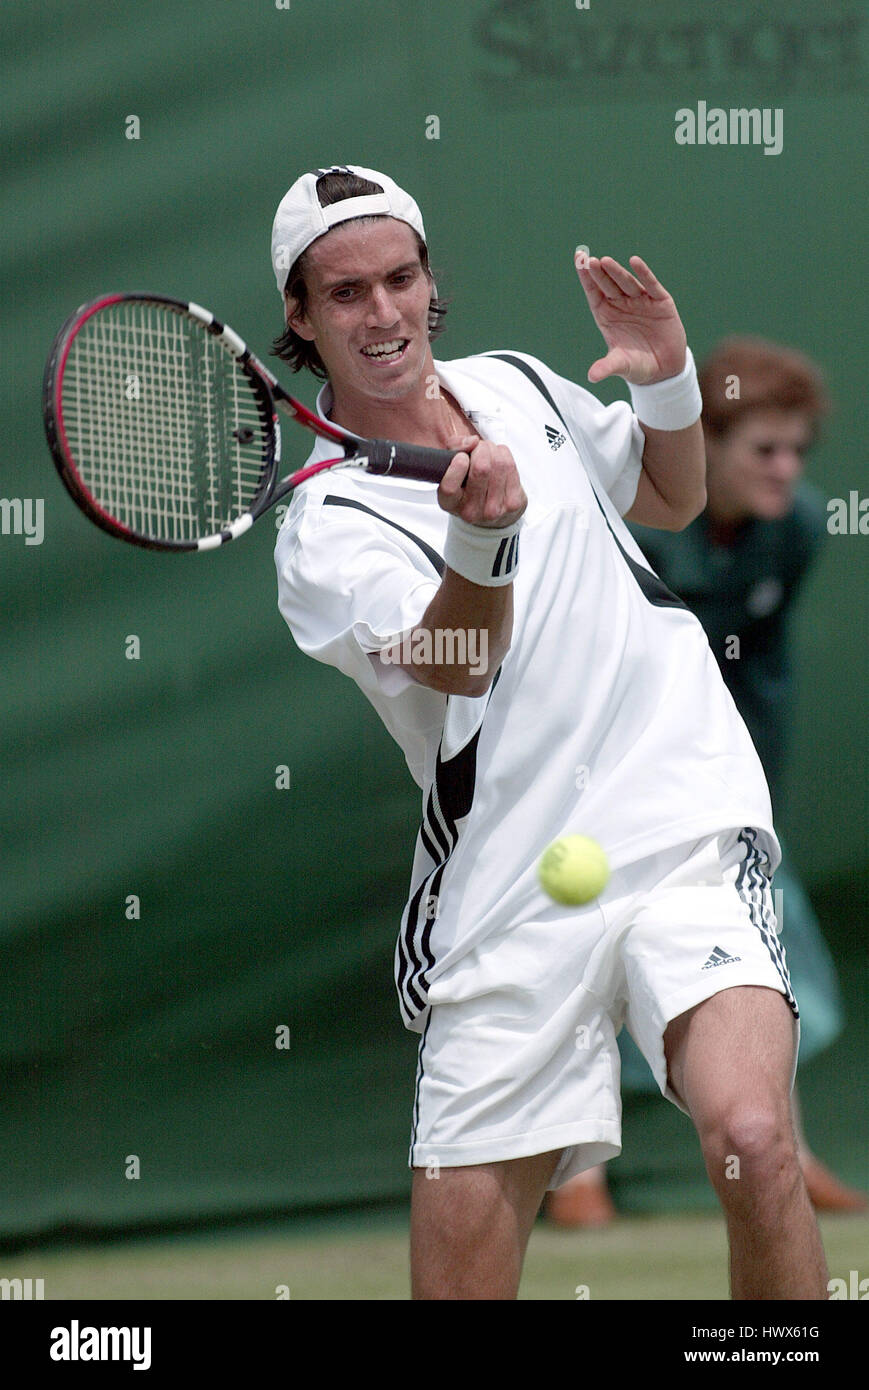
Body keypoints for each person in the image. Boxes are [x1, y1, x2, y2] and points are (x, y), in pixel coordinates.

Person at [271, 164, 829, 1299]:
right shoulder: (323, 527)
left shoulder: (518, 382)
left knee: (754, 1139)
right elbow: (454, 659)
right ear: (301, 317)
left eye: (400, 278)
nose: (381, 313)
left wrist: (669, 377)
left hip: (678, 815)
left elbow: (667, 497)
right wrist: (482, 541)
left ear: (430, 283)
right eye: (344, 294)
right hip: (506, 887)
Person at [547, 338, 866, 1228]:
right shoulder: (627, 524)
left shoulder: (796, 527)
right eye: (763, 450)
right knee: (585, 962)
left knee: (770, 969)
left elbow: (757, 665)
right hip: (601, 778)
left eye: (798, 451)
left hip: (724, 785)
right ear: (707, 445)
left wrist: (744, 796)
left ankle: (787, 1156)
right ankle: (575, 1178)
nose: (786, 469)